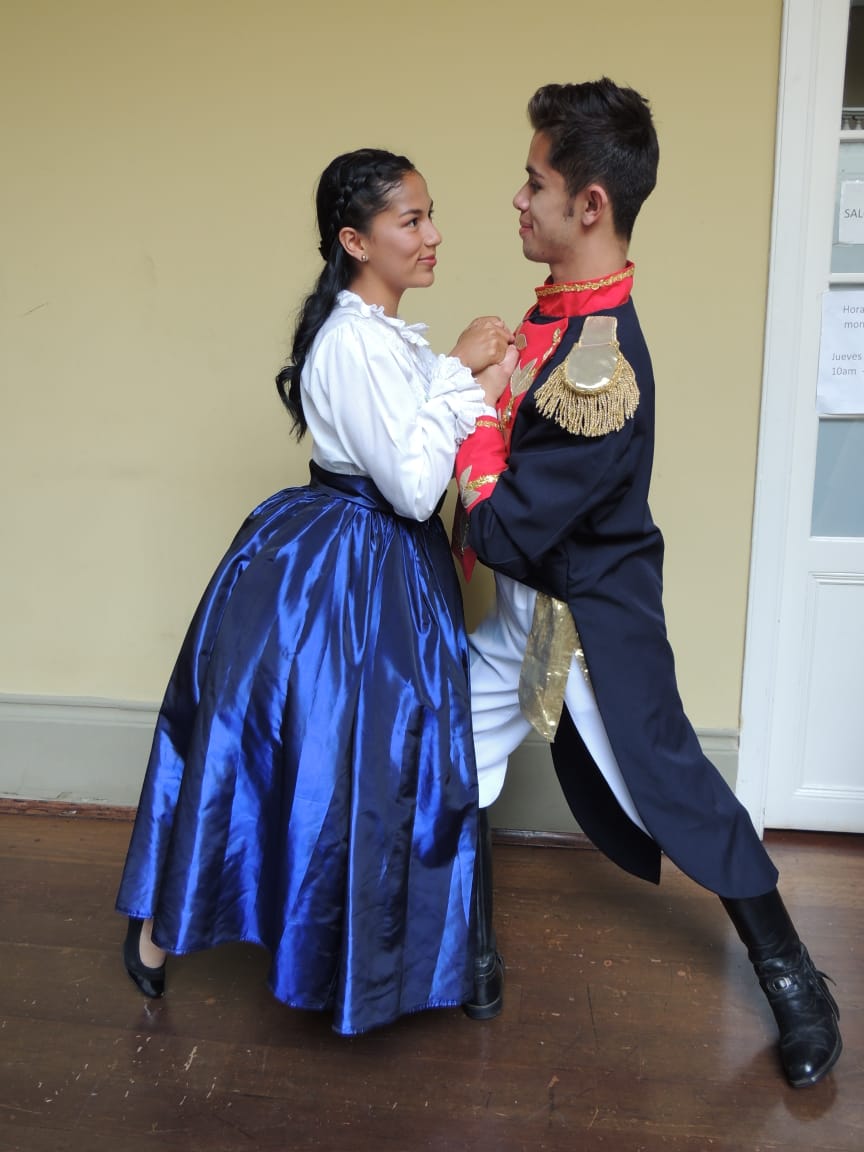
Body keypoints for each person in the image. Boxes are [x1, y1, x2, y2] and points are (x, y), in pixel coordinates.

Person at [453, 79, 843, 1088]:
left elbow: (495, 527)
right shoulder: (556, 321)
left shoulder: (601, 368)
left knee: (676, 790)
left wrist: (463, 405)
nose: (517, 200)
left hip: (592, 626)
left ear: (590, 205)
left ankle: (795, 978)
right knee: (439, 753)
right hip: (526, 618)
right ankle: (465, 949)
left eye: (533, 182)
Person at [115, 147, 515, 1036]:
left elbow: (423, 454)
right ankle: (161, 929)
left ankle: (372, 952)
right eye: (410, 219)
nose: (432, 234)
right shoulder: (349, 344)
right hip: (343, 571)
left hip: (388, 567)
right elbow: (414, 486)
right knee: (300, 757)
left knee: (381, 766)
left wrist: (469, 380)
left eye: (429, 214)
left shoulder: (381, 338)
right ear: (355, 239)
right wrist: (460, 370)